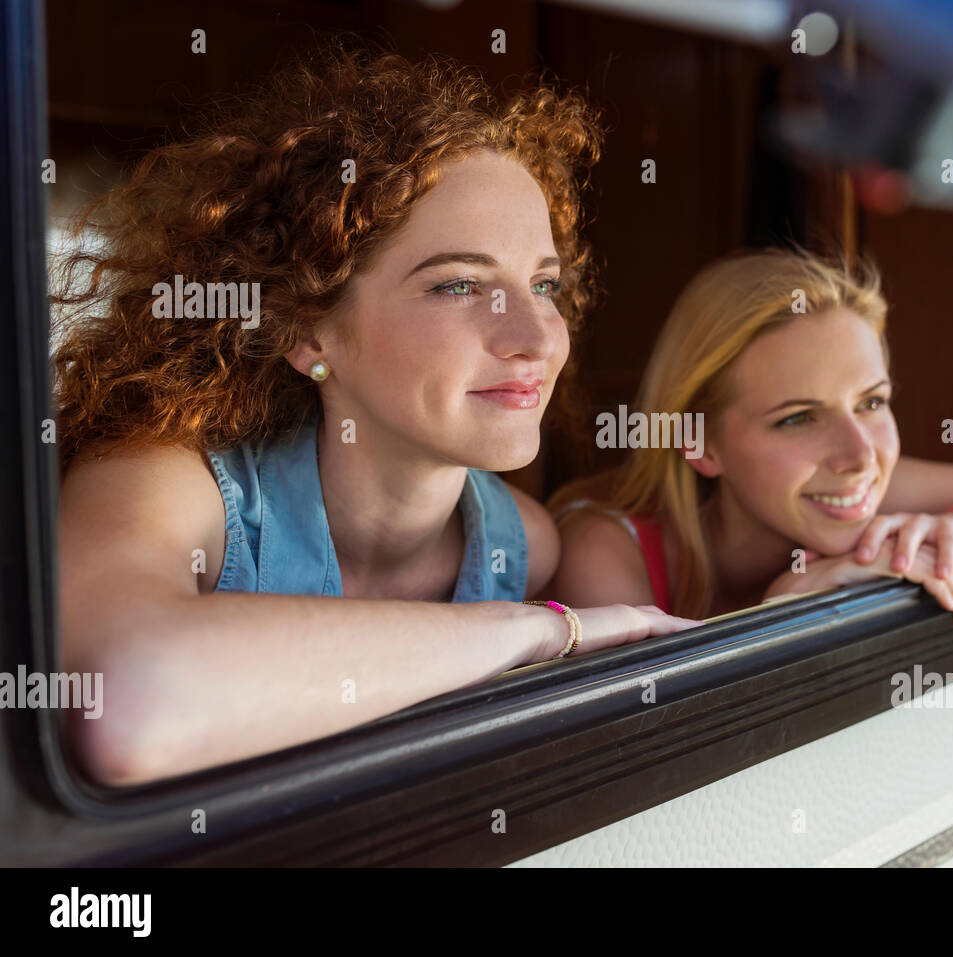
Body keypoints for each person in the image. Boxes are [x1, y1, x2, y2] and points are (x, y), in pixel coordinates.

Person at [51, 41, 697, 788]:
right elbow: (126, 702)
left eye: (544, 286)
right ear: (305, 328)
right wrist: (538, 628)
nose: (535, 339)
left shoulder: (522, 544)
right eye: (458, 286)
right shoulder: (160, 482)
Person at [547, 247, 953, 621]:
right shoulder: (601, 550)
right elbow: (667, 746)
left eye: (872, 402)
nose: (860, 457)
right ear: (699, 444)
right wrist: (791, 601)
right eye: (798, 417)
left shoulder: (876, 488)